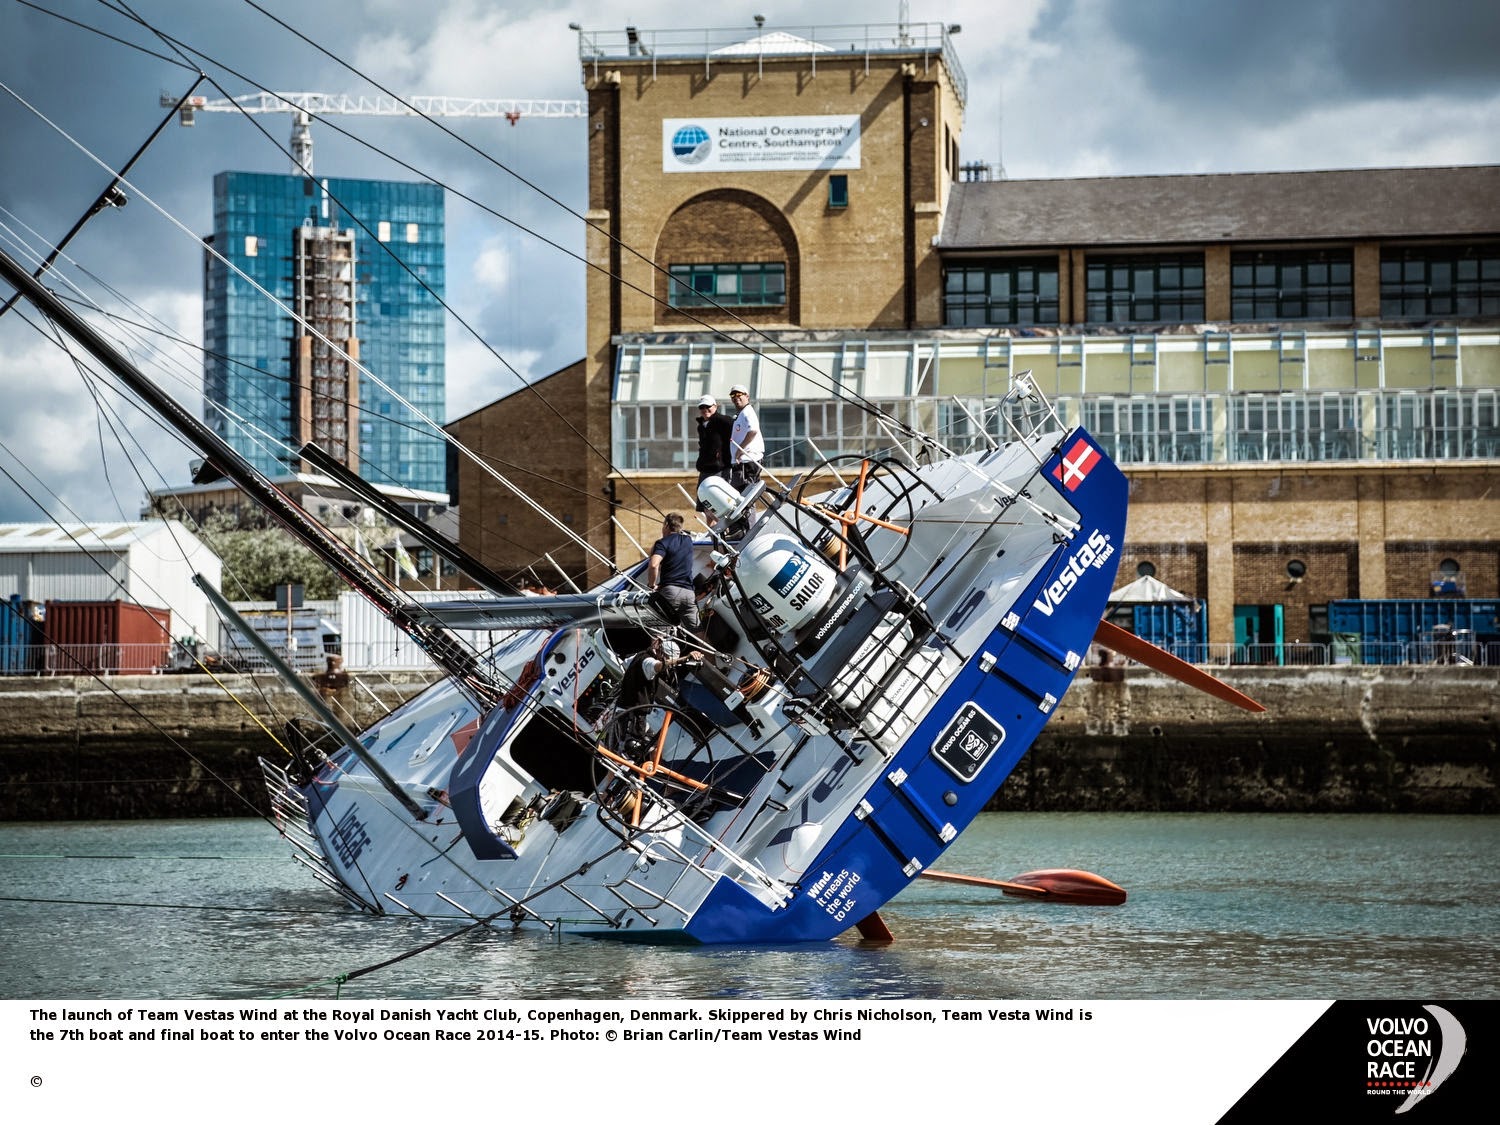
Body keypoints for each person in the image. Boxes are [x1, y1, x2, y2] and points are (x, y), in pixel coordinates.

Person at [647, 512, 700, 630]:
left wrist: (652, 585)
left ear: (666, 525)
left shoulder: (662, 543)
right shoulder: (688, 541)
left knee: (658, 631)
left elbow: (654, 565)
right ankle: (707, 648)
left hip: (670, 592)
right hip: (689, 593)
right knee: (698, 632)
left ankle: (657, 648)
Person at [694, 394, 733, 525]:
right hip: (705, 467)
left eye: (708, 406)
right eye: (702, 407)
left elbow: (736, 426)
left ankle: (725, 526)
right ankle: (711, 529)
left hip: (719, 468)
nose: (705, 409)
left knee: (716, 500)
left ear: (715, 406)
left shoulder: (722, 421)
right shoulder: (701, 426)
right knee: (704, 502)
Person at [727, 384, 764, 490]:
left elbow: (753, 431)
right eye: (733, 395)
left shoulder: (747, 412)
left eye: (739, 394)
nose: (736, 397)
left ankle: (749, 507)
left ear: (747, 396)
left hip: (748, 461)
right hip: (743, 461)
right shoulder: (742, 413)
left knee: (747, 492)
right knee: (742, 492)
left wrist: (740, 450)